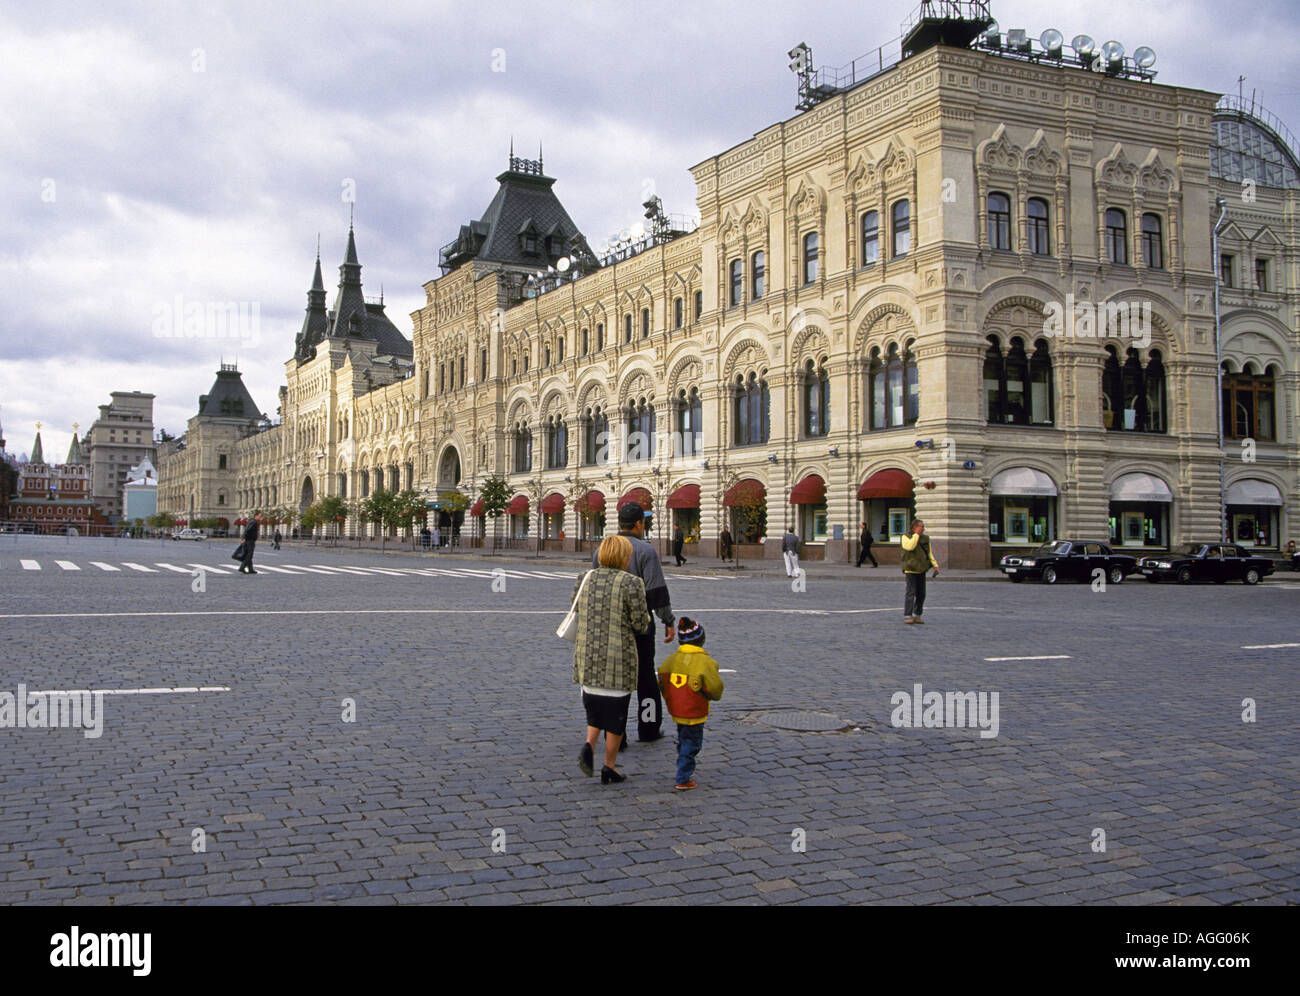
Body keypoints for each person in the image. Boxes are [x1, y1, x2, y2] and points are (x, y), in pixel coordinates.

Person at [593, 502, 675, 742]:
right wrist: (668, 620)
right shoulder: (645, 551)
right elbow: (656, 590)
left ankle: (616, 733)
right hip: (641, 626)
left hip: (609, 623)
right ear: (640, 524)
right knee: (646, 679)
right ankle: (648, 729)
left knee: (614, 679)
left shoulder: (602, 550)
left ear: (620, 523)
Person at [573, 534, 651, 784]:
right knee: (616, 716)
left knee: (594, 707)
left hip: (587, 656)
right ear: (623, 557)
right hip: (617, 659)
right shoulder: (632, 583)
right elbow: (641, 624)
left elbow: (576, 611)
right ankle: (609, 765)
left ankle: (588, 744)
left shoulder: (584, 579)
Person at [657, 617, 724, 791]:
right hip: (695, 712)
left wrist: (670, 697)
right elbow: (715, 689)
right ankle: (683, 777)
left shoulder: (671, 660)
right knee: (693, 744)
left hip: (677, 711)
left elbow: (662, 679)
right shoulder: (706, 663)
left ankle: (683, 763)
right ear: (701, 640)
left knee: (683, 739)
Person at [900, 518, 939, 623]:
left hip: (921, 568)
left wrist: (935, 565)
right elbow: (909, 547)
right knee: (910, 592)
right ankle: (908, 615)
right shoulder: (905, 537)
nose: (922, 528)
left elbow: (929, 553)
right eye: (920, 526)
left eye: (923, 526)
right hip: (910, 569)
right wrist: (916, 535)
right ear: (914, 527)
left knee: (921, 593)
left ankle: (917, 614)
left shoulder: (925, 538)